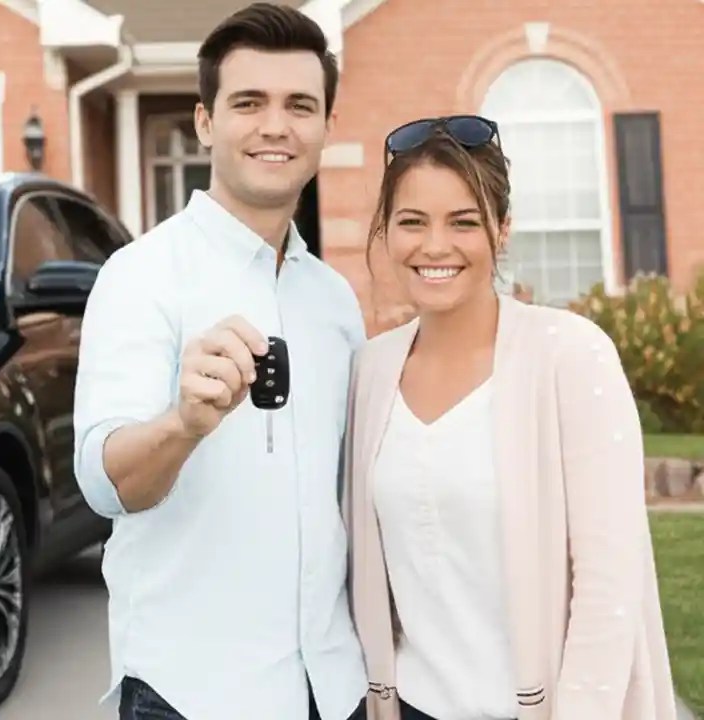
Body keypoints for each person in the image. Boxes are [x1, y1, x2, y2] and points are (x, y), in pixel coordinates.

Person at [72, 3, 369, 719]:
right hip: (193, 693)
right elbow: (105, 483)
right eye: (248, 103)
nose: (276, 126)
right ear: (206, 122)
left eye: (300, 104)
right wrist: (184, 423)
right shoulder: (140, 275)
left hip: (331, 688)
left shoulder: (334, 301)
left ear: (327, 124)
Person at [344, 114, 677, 720]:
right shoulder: (370, 371)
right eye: (412, 222)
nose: (435, 246)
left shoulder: (570, 355)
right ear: (385, 234)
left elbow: (609, 583)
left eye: (463, 222)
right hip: (412, 705)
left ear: (501, 231)